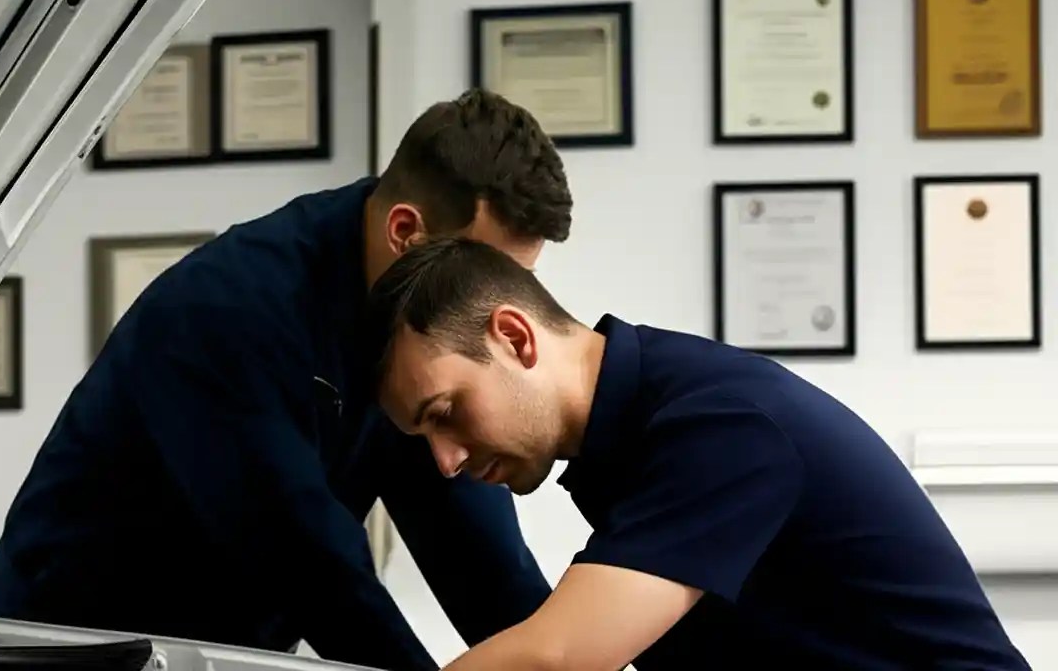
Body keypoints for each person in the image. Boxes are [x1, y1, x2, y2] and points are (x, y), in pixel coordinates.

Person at [0, 89, 571, 671]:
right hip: (62, 644)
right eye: (483, 276)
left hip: (221, 644)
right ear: (406, 232)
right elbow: (313, 565)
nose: (495, 311)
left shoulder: (423, 333)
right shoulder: (229, 309)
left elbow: (485, 565)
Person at [364, 237, 1033, 670]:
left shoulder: (718, 425)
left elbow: (559, 657)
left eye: (446, 413)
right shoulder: (634, 436)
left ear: (515, 337)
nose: (446, 462)